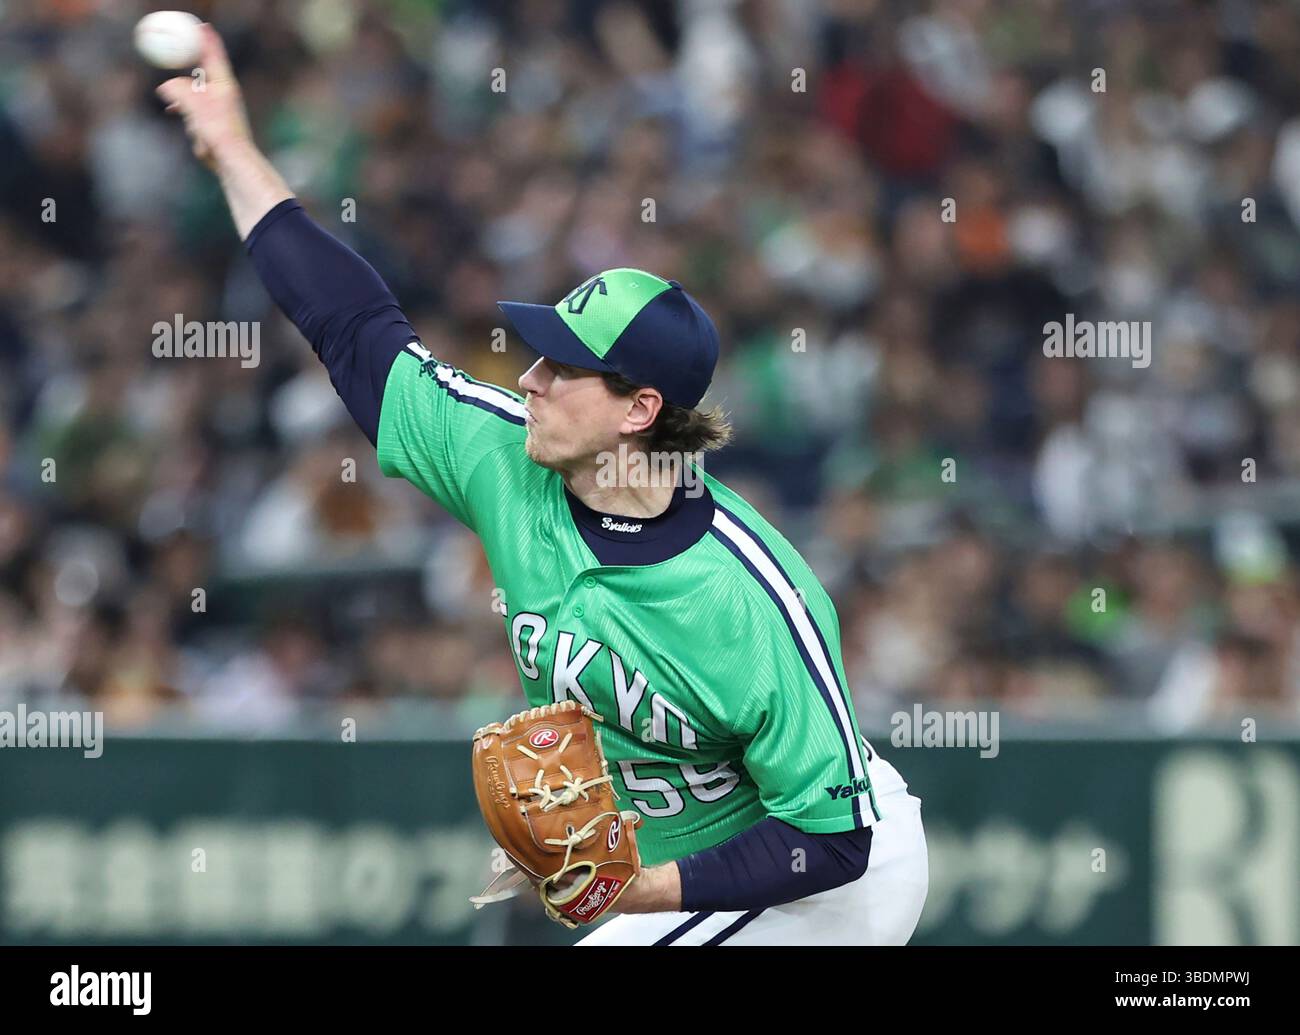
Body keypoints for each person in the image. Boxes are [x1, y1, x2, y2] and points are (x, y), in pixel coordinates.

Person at [158, 24, 928, 945]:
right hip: (702, 866)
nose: (529, 381)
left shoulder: (748, 595)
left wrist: (634, 886)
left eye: (563, 369)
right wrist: (237, 152)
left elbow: (828, 840)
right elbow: (353, 326)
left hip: (826, 871)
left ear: (638, 410)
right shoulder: (503, 455)